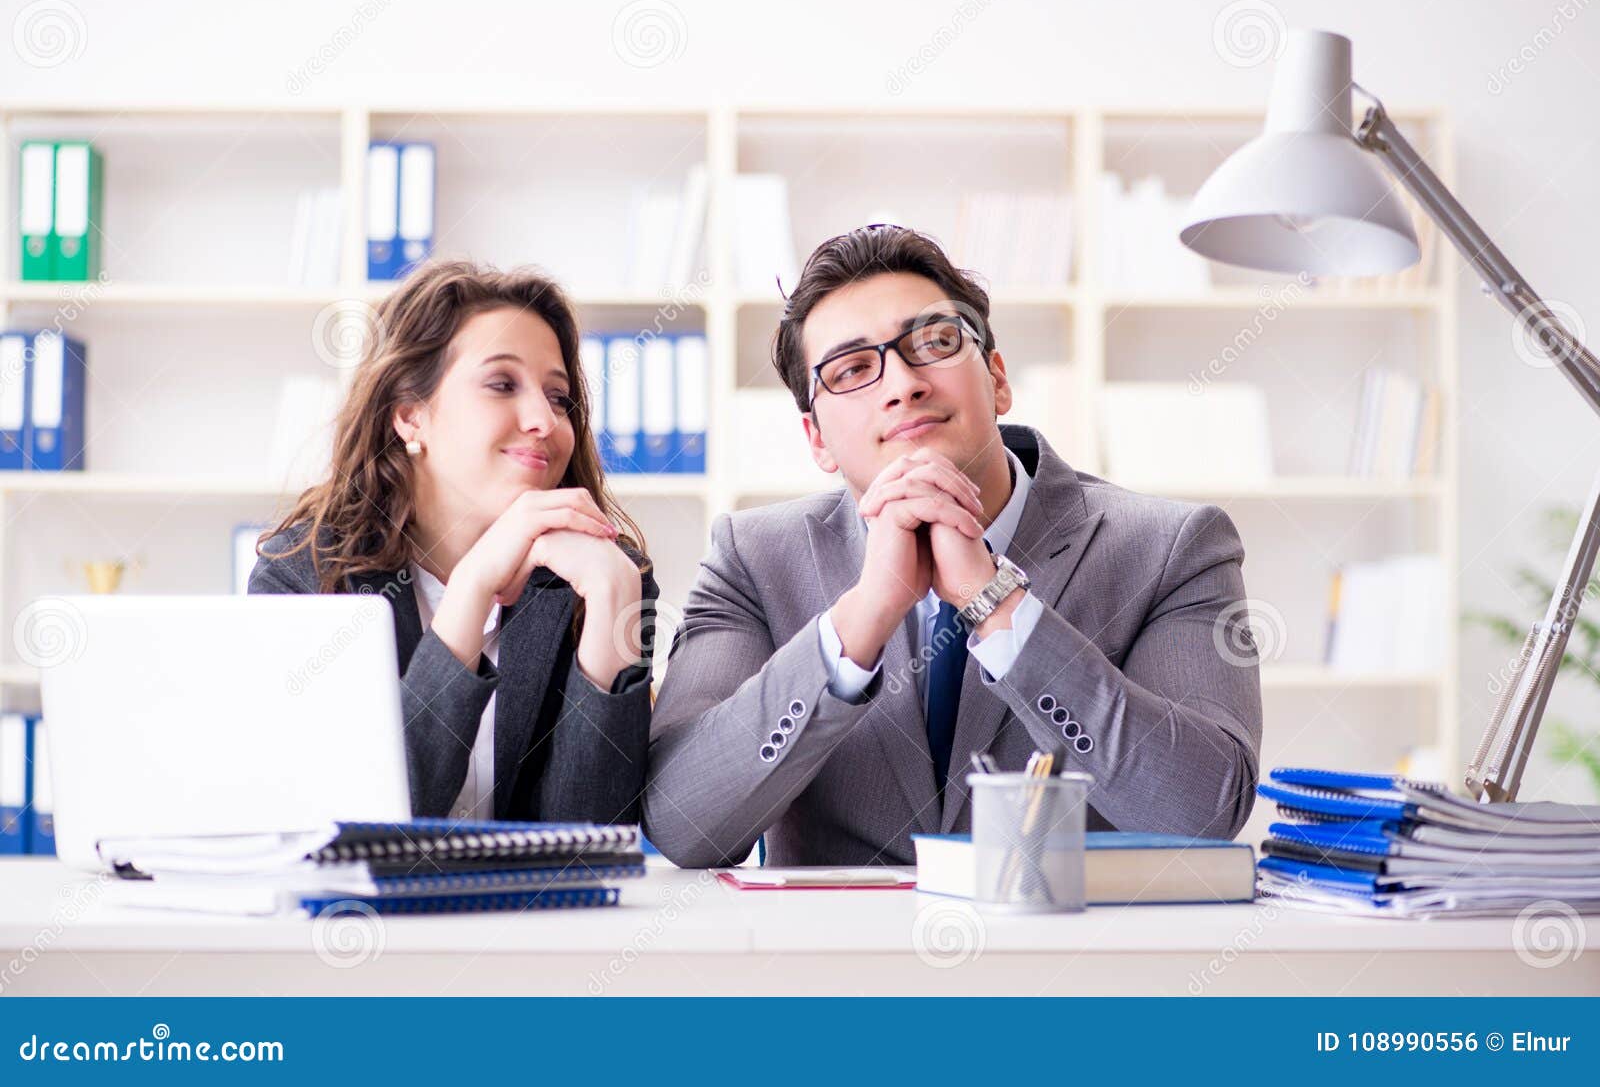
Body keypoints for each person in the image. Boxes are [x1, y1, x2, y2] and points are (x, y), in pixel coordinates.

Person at [645, 224, 1261, 867]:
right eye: (852, 368)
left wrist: (999, 606)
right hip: (835, 965)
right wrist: (862, 617)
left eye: (934, 342)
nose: (903, 383)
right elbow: (683, 825)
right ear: (816, 438)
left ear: (996, 377)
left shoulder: (1173, 548)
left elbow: (1203, 814)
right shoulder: (752, 559)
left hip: (1068, 962)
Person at [250, 259, 656, 825]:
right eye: (502, 384)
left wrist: (614, 600)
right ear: (410, 417)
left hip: (544, 916)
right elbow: (366, 824)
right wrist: (471, 589)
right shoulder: (303, 576)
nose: (544, 418)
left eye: (559, 396)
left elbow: (588, 842)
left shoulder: (601, 574)